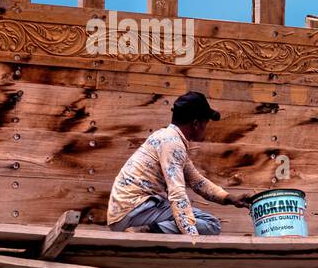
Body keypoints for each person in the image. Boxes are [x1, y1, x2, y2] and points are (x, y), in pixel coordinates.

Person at [107, 91, 253, 235]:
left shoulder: (169, 139)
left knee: (206, 222)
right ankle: (145, 231)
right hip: (134, 212)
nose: (205, 129)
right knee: (211, 225)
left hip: (125, 213)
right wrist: (191, 238)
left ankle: (147, 229)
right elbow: (177, 193)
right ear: (196, 124)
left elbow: (198, 182)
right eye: (205, 123)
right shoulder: (172, 143)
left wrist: (230, 199)